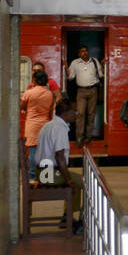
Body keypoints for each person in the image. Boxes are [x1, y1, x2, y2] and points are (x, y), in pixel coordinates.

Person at [34, 97, 83, 235]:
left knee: (78, 181)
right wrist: (69, 180)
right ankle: (73, 220)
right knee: (84, 183)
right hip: (48, 174)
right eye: (74, 111)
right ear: (66, 113)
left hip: (42, 171)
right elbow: (60, 156)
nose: (76, 114)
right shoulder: (60, 128)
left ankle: (67, 217)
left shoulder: (49, 125)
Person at [67, 45, 103, 145]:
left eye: (86, 51)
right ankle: (79, 137)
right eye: (82, 51)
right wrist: (65, 65)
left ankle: (88, 136)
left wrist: (103, 65)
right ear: (79, 54)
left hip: (93, 90)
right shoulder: (75, 63)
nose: (84, 53)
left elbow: (100, 75)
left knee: (91, 114)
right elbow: (70, 77)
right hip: (81, 91)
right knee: (80, 114)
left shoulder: (95, 61)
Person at [20, 71, 54, 168]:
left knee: (32, 152)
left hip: (32, 126)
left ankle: (32, 176)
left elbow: (21, 106)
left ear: (34, 80)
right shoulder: (50, 94)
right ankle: (46, 177)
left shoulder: (29, 93)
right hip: (45, 125)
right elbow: (50, 109)